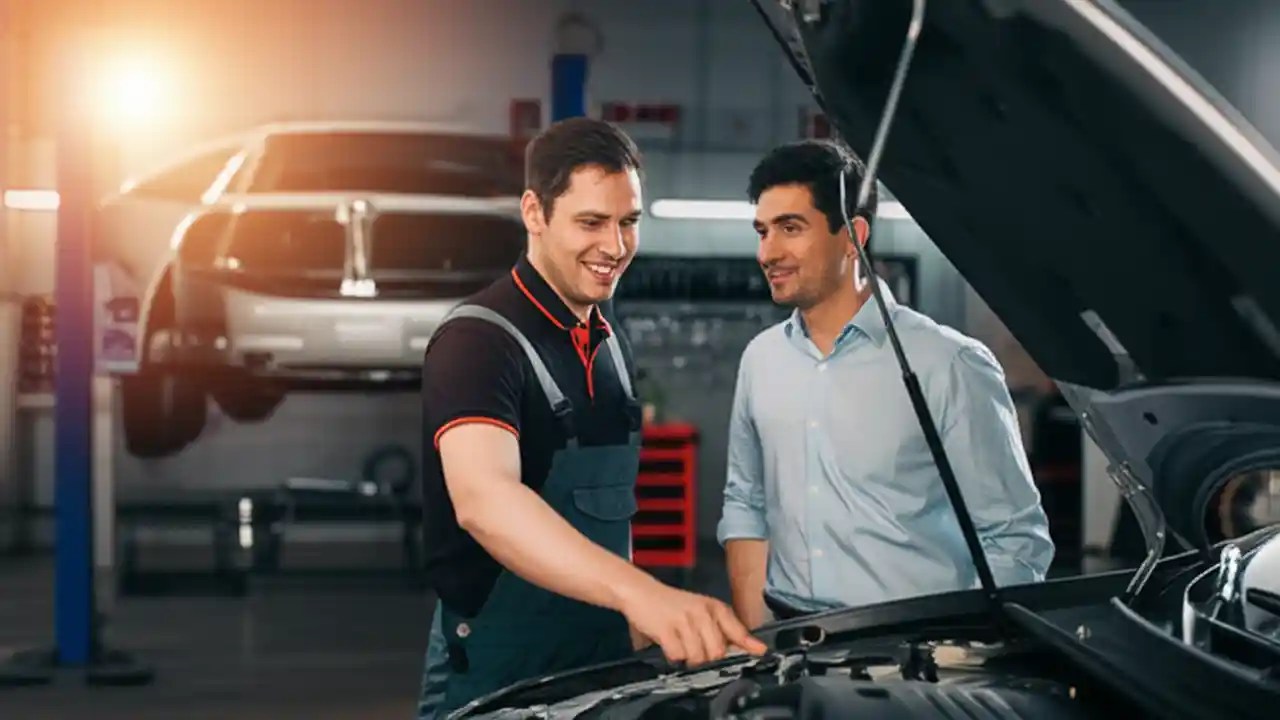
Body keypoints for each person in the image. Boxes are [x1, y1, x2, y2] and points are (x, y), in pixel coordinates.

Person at [417, 117, 766, 719]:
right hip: (498, 677)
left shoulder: (608, 343)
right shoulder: (478, 339)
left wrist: (651, 625)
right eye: (591, 222)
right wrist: (644, 595)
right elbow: (484, 499)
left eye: (628, 222)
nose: (615, 246)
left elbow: (608, 526)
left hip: (597, 671)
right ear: (534, 212)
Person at [717, 140, 1054, 628]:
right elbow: (744, 502)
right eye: (762, 232)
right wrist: (756, 634)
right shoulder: (761, 360)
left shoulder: (948, 363)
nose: (768, 252)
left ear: (853, 236)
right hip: (787, 635)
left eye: (790, 228)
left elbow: (1014, 537)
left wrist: (965, 651)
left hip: (909, 640)